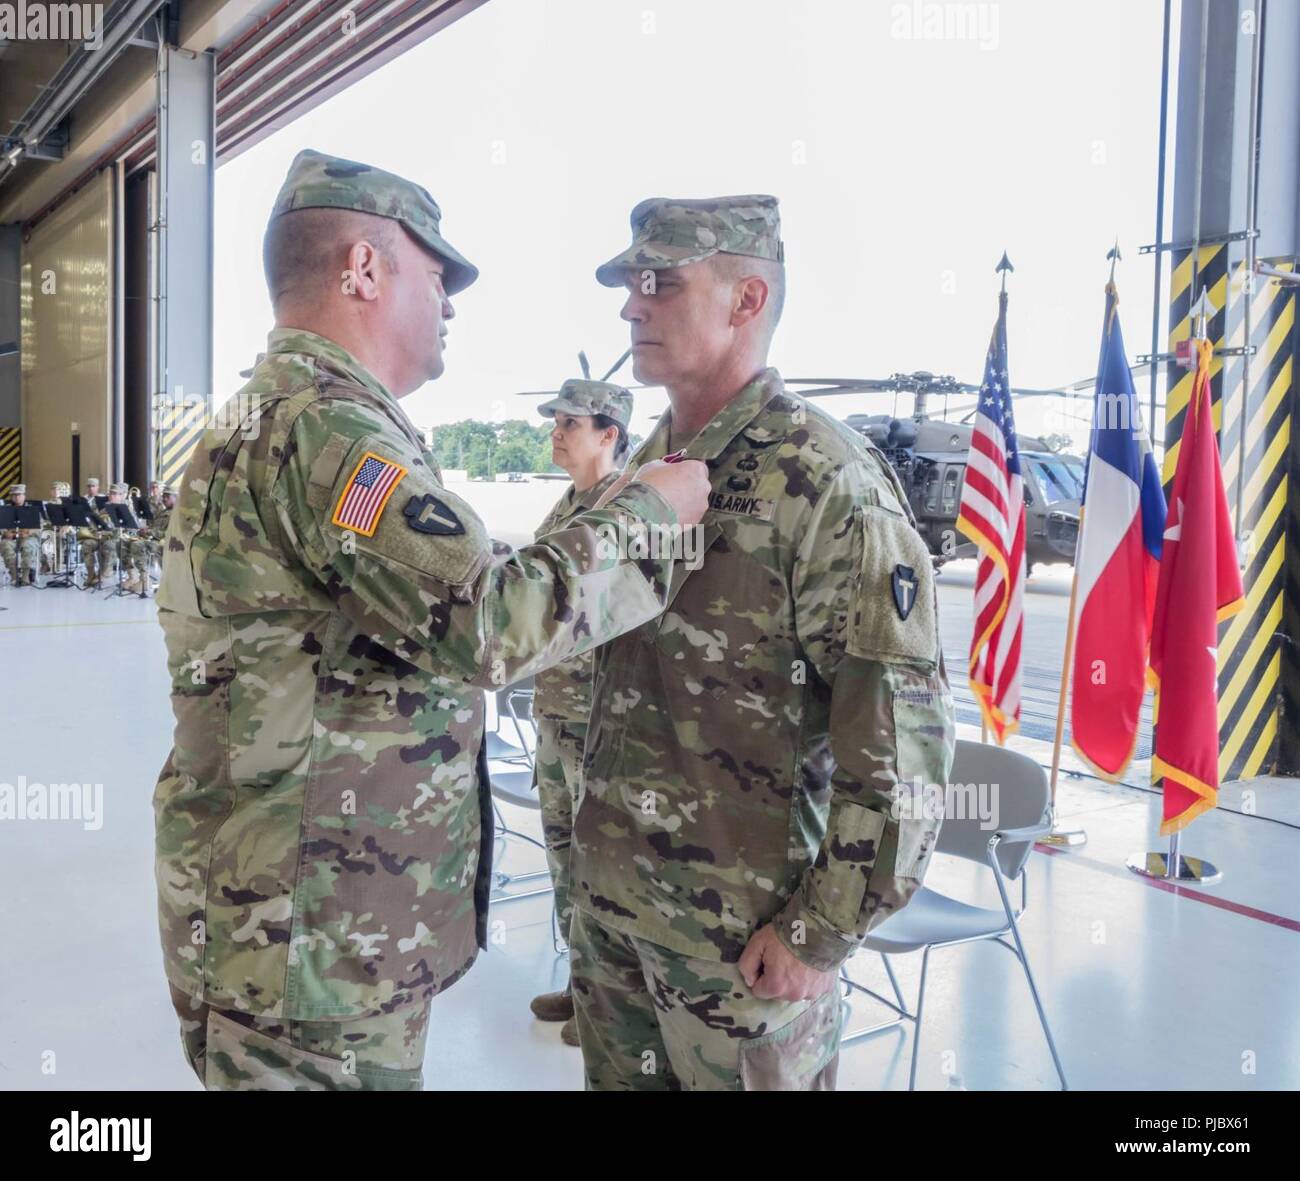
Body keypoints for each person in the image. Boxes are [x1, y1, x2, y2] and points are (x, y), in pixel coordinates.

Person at [153, 149, 709, 1092]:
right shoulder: (331, 434)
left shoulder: (265, 416)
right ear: (363, 269)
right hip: (311, 944)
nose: (451, 298)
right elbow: (490, 620)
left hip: (287, 917)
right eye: (436, 271)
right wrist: (650, 511)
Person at [567, 195, 956, 1090]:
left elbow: (901, 751)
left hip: (740, 950)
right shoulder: (645, 478)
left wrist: (822, 930)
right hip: (616, 923)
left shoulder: (825, 481)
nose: (633, 304)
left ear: (746, 300)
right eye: (630, 283)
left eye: (659, 282)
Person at [526, 378, 634, 1046]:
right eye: (555, 421)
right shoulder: (568, 504)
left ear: (609, 434)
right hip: (556, 713)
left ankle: (609, 1008)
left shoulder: (624, 509)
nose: (557, 432)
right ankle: (581, 984)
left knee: (602, 865)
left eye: (571, 422)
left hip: (601, 720)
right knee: (565, 858)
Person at [128, 484, 176, 596]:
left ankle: (168, 585)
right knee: (128, 542)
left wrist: (150, 532)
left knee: (138, 545)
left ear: (176, 497)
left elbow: (170, 533)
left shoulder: (176, 514)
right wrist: (145, 530)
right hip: (156, 539)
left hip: (168, 543)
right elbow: (155, 527)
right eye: (163, 496)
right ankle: (141, 579)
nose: (164, 499)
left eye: (167, 497)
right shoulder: (163, 512)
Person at [1, 483, 40, 586]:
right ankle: (14, 575)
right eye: (14, 495)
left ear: (24, 496)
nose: (16, 497)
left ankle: (25, 576)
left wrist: (29, 533)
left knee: (28, 546)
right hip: (11, 538)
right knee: (5, 545)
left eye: (19, 495)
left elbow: (39, 526)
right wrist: (5, 532)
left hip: (28, 537)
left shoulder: (32, 509)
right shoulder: (5, 509)